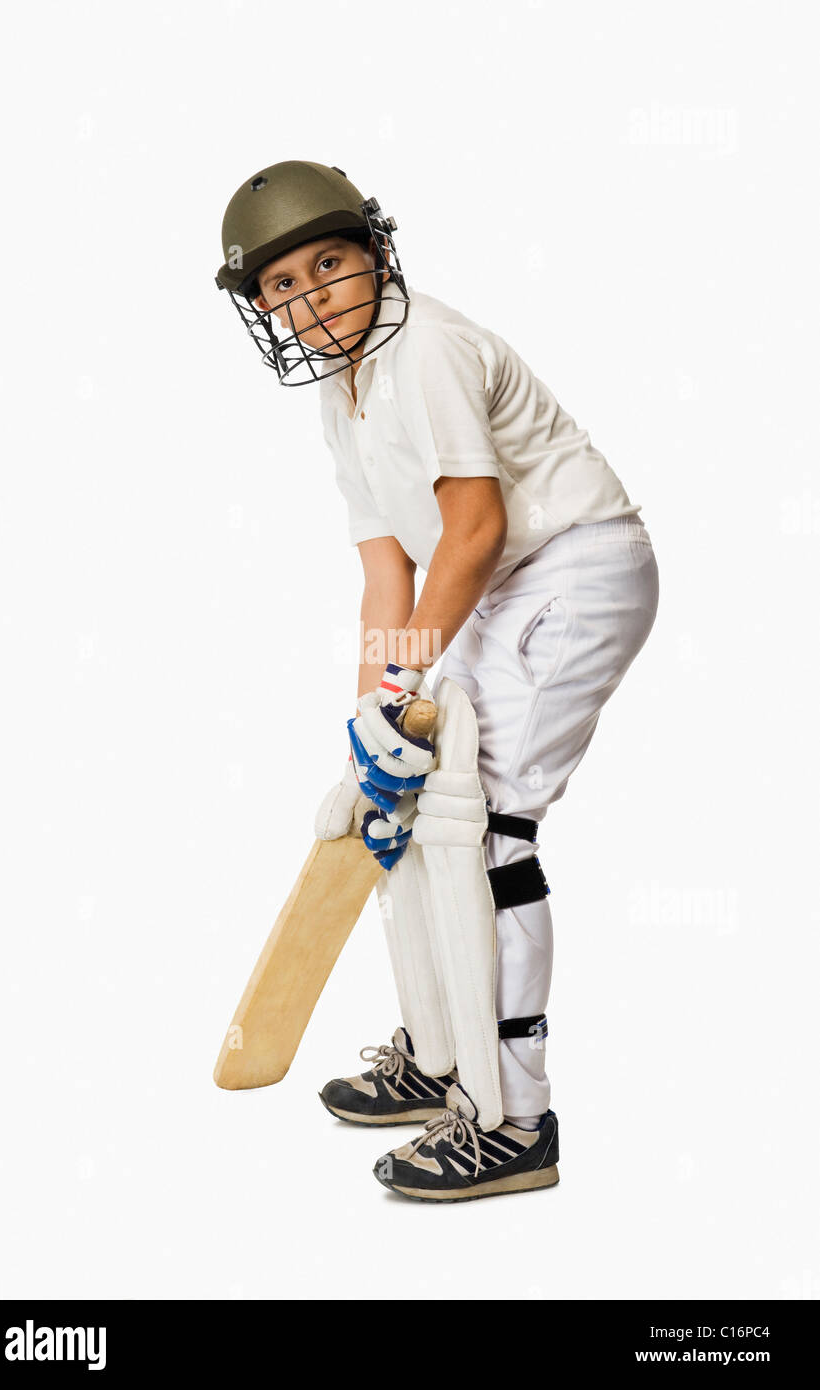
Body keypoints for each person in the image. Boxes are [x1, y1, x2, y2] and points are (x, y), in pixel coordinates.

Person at [215, 160, 659, 1202]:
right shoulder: (343, 391)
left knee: (487, 824)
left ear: (375, 253)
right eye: (283, 284)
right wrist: (377, 702)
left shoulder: (427, 349)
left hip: (574, 568)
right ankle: (439, 1054)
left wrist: (410, 672)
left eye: (328, 263)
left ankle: (513, 1121)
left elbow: (474, 527)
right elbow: (386, 572)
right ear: (264, 308)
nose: (310, 295)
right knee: (404, 803)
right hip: (498, 587)